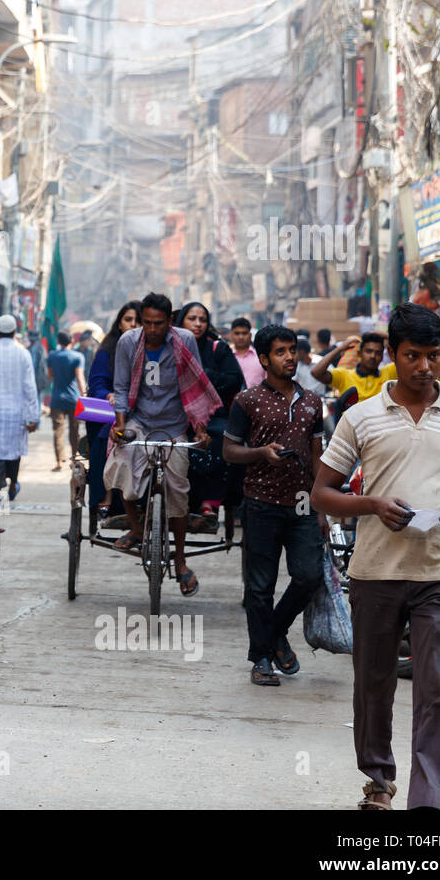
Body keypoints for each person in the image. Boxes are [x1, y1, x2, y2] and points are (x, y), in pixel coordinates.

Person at [313, 303, 440, 810]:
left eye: (433, 356)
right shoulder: (361, 417)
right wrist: (371, 504)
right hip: (375, 573)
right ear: (393, 355)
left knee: (439, 687)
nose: (424, 366)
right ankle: (379, 782)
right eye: (413, 355)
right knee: (373, 687)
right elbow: (322, 494)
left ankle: (431, 803)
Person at [223, 326, 325, 686]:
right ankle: (261, 658)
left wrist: (322, 508)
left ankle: (275, 633)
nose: (289, 357)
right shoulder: (246, 401)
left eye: (292, 350)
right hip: (261, 503)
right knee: (260, 586)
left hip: (301, 505)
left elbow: (317, 458)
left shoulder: (313, 402)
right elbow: (229, 451)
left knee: (309, 576)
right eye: (280, 352)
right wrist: (260, 454)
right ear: (264, 359)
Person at [104, 292, 222, 595]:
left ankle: (180, 561)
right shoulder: (129, 342)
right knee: (123, 465)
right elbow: (119, 386)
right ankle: (136, 527)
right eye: (147, 323)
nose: (152, 329)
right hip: (139, 421)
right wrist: (120, 427)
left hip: (173, 425)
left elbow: (193, 385)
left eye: (158, 323)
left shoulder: (184, 340)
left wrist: (199, 428)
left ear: (169, 321)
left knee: (178, 492)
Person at [175, 302, 244, 522]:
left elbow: (234, 380)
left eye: (202, 319)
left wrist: (203, 376)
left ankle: (211, 502)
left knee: (224, 439)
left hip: (213, 416)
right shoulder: (170, 347)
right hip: (177, 416)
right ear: (181, 321)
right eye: (192, 318)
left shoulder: (218, 349)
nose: (197, 324)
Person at [0, 313, 40, 501]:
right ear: (14, 332)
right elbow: (30, 387)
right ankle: (13, 483)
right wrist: (32, 417)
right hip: (15, 411)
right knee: (14, 450)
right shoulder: (23, 353)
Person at [87, 301, 142, 515]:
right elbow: (97, 386)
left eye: (138, 321)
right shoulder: (106, 352)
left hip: (143, 411)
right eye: (128, 320)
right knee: (107, 435)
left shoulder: (152, 350)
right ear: (119, 323)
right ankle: (106, 493)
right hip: (112, 411)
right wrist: (110, 395)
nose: (133, 324)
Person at [311, 331, 395, 401]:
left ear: (382, 357)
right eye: (369, 351)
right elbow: (316, 372)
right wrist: (339, 349)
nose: (373, 356)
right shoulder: (344, 375)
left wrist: (388, 337)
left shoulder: (389, 372)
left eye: (378, 353)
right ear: (359, 354)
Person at [48, 330, 88, 472]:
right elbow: (80, 378)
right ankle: (75, 458)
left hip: (57, 398)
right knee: (75, 429)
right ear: (71, 340)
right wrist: (84, 395)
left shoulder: (52, 356)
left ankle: (59, 461)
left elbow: (50, 375)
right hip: (73, 398)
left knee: (58, 431)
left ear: (58, 341)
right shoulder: (78, 356)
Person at [230, 317, 265, 388]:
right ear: (231, 335)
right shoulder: (226, 357)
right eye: (237, 333)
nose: (241, 337)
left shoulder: (260, 357)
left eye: (244, 333)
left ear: (250, 335)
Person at [28, 331, 50, 407]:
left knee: (35, 403)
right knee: (37, 402)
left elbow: (33, 367)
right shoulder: (41, 348)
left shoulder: (34, 349)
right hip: (40, 380)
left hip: (35, 380)